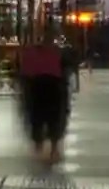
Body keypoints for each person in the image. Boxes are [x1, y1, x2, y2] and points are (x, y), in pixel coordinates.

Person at [16, 28, 70, 163]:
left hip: (37, 87)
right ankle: (52, 148)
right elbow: (65, 72)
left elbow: (24, 73)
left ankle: (40, 147)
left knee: (37, 117)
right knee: (53, 118)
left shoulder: (32, 53)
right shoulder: (58, 53)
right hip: (52, 88)